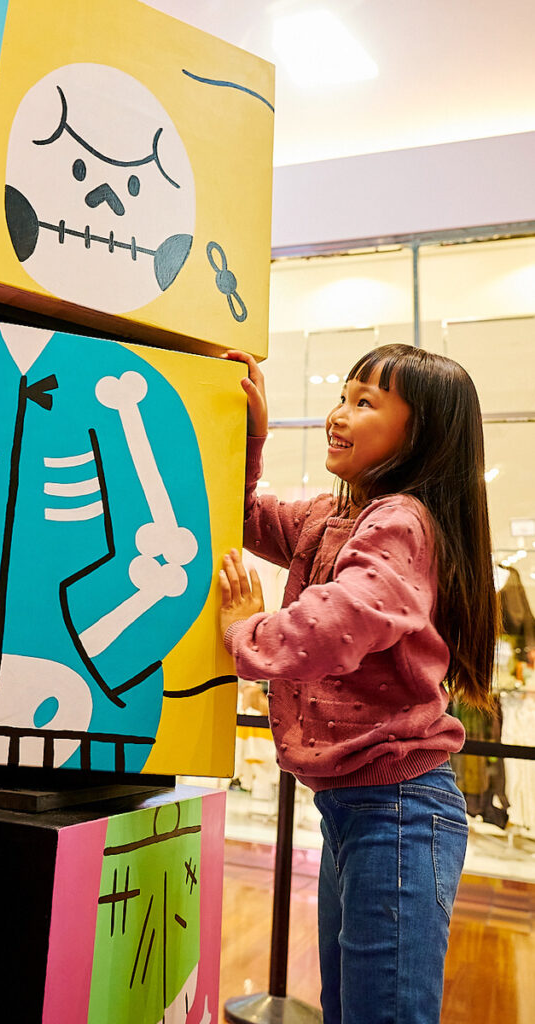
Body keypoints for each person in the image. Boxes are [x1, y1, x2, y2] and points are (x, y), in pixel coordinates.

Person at [218, 344, 497, 1024]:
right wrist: (246, 439)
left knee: (380, 1010)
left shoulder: (400, 522)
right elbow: (244, 515)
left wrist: (247, 631)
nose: (337, 416)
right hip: (354, 810)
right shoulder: (328, 519)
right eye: (342, 397)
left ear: (420, 435)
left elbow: (335, 624)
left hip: (397, 812)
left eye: (364, 403)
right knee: (352, 1005)